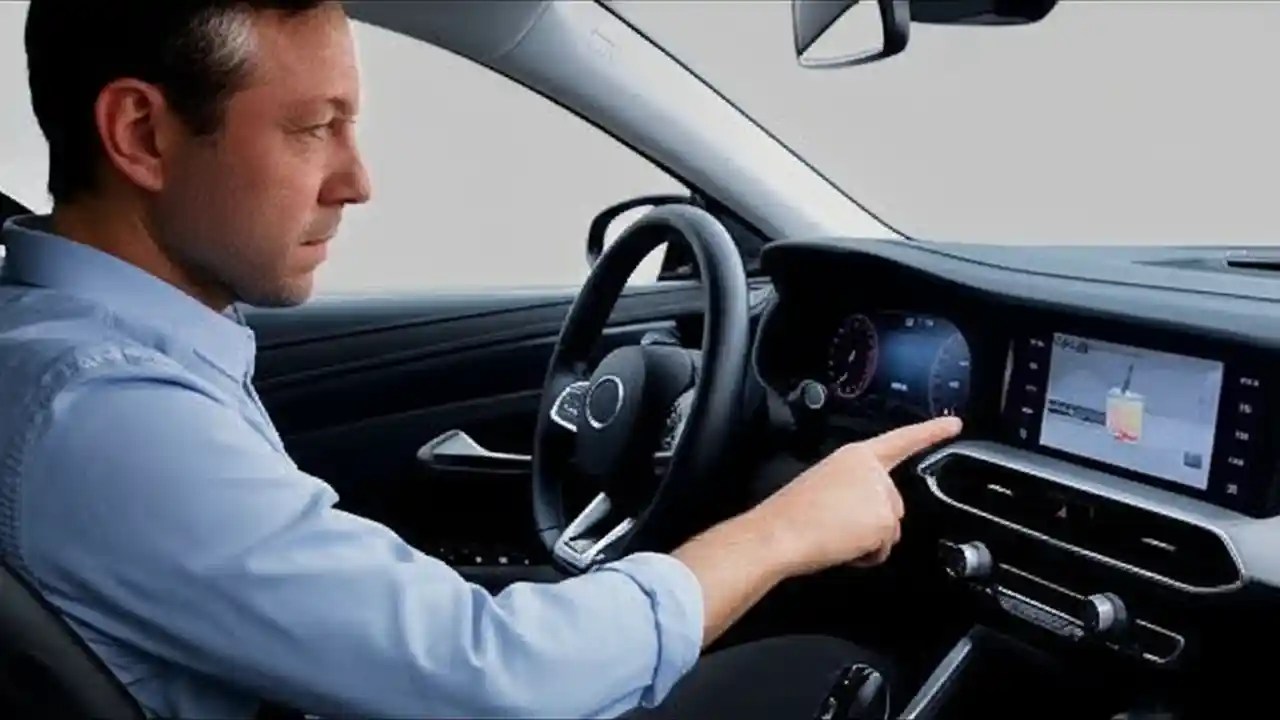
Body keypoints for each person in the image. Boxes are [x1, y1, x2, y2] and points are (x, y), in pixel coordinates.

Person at [0, 2, 963, 718]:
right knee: (819, 675)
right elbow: (493, 677)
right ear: (142, 134)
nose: (356, 180)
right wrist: (784, 532)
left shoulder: (78, 356)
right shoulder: (105, 414)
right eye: (312, 128)